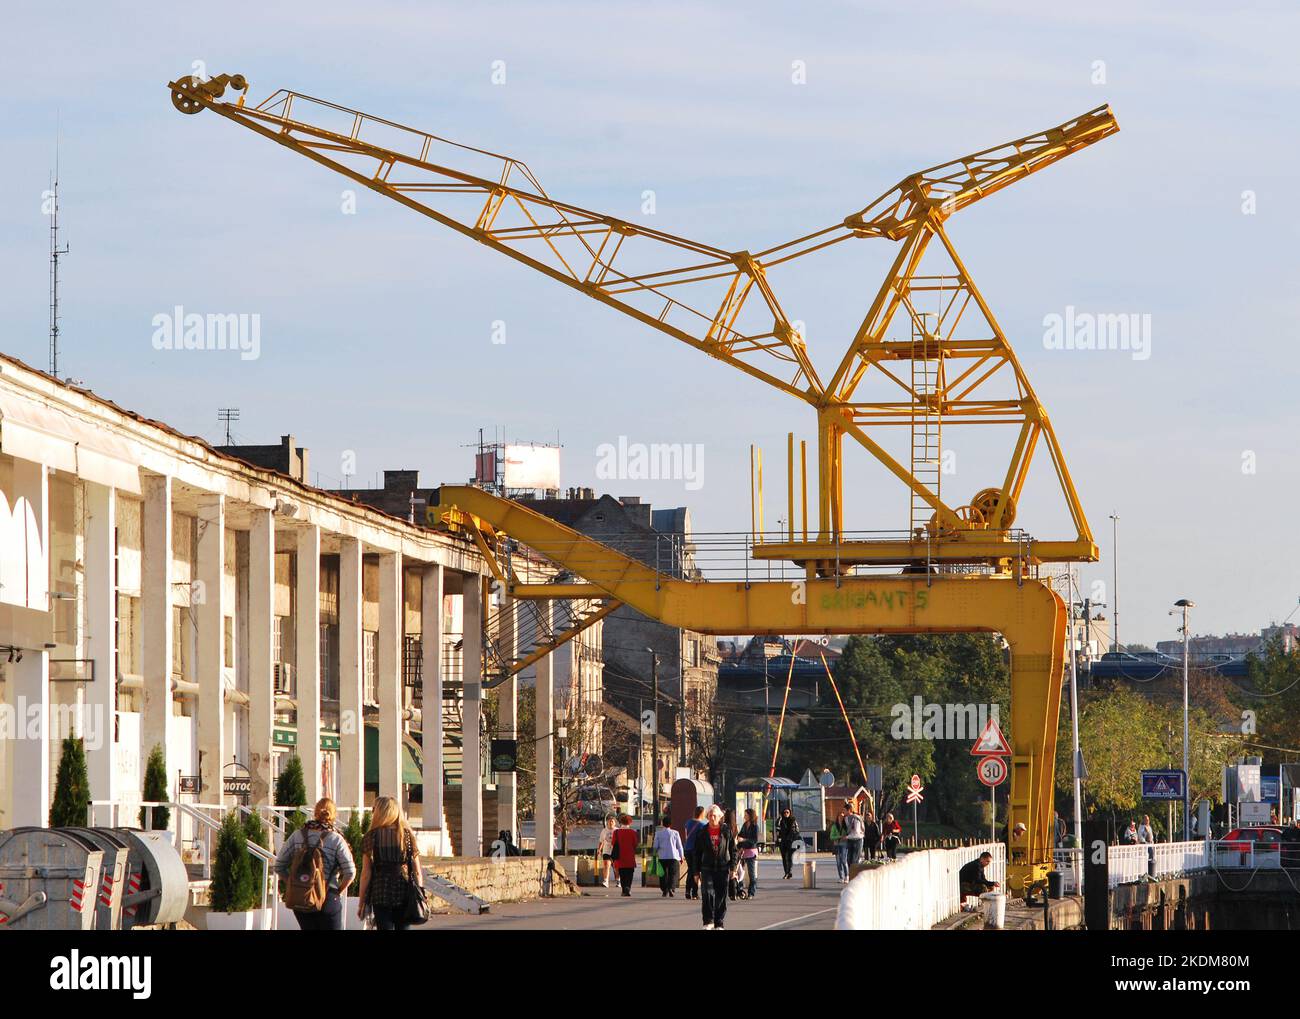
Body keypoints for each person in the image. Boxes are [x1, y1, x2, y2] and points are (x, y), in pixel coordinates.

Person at [274, 797, 356, 931]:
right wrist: (338, 891)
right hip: (328, 896)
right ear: (334, 815)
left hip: (301, 897)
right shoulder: (336, 839)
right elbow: (350, 872)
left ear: (315, 813)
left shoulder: (297, 835)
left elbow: (279, 866)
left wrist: (292, 883)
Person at [356, 795, 422, 931]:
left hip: (381, 890)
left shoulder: (371, 836)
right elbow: (417, 871)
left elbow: (365, 874)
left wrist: (361, 901)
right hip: (404, 889)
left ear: (379, 813)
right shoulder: (407, 836)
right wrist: (420, 894)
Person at [691, 804, 736, 929]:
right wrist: (695, 872)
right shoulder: (702, 832)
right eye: (710, 815)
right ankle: (708, 921)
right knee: (707, 894)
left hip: (723, 867)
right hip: (707, 868)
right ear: (707, 817)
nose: (712, 818)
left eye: (714, 816)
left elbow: (733, 850)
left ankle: (719, 922)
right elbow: (697, 853)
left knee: (721, 896)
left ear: (720, 817)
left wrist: (733, 868)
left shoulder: (726, 831)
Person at [652, 815, 684, 897]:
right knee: (672, 874)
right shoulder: (675, 833)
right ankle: (671, 888)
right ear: (671, 824)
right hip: (673, 856)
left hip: (662, 857)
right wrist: (681, 856)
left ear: (662, 824)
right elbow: (679, 846)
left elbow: (655, 846)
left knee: (662, 874)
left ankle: (664, 890)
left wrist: (654, 855)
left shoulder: (658, 833)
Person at [611, 814, 639, 896]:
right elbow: (635, 844)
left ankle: (624, 890)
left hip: (620, 856)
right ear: (630, 823)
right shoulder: (633, 833)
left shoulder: (616, 832)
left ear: (621, 822)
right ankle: (628, 888)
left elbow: (613, 843)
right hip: (630, 856)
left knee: (622, 873)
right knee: (630, 873)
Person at [683, 806, 706, 899]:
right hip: (696, 850)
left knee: (691, 870)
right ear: (701, 813)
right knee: (696, 871)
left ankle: (688, 891)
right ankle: (694, 893)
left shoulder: (688, 822)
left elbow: (686, 835)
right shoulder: (702, 825)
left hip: (687, 849)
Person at [738, 808, 760, 899]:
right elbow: (740, 835)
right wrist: (740, 843)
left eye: (746, 815)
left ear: (750, 816)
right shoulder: (744, 825)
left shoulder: (755, 826)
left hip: (751, 851)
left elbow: (754, 840)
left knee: (751, 874)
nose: (744, 816)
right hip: (743, 851)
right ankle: (740, 890)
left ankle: (751, 892)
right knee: (740, 872)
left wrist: (744, 840)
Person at [841, 801, 865, 879]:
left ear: (849, 810)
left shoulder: (855, 818)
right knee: (849, 859)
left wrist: (846, 837)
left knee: (855, 859)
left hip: (857, 839)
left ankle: (856, 877)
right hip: (850, 840)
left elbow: (856, 832)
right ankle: (852, 876)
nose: (843, 812)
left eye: (844, 810)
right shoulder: (845, 818)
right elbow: (848, 830)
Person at [776, 807, 800, 879]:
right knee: (784, 858)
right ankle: (786, 872)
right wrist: (779, 818)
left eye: (787, 812)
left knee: (789, 857)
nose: (786, 814)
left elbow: (797, 831)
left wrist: (796, 840)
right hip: (783, 841)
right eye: (784, 812)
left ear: (790, 813)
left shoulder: (793, 821)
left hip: (791, 841)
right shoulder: (781, 821)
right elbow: (777, 828)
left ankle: (789, 872)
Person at [596, 815, 617, 887]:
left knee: (615, 866)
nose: (610, 823)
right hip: (606, 850)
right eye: (609, 821)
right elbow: (601, 841)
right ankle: (606, 881)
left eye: (612, 821)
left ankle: (618, 880)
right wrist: (599, 849)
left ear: (615, 823)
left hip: (615, 850)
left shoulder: (617, 830)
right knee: (606, 865)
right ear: (607, 822)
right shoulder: (604, 830)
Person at [829, 811, 848, 882]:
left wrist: (845, 837)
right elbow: (831, 836)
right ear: (837, 818)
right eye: (839, 817)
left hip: (844, 845)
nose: (841, 818)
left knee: (843, 861)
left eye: (842, 817)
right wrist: (839, 836)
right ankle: (841, 877)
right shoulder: (834, 826)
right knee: (838, 862)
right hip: (836, 845)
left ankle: (846, 876)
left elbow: (848, 835)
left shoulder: (846, 826)